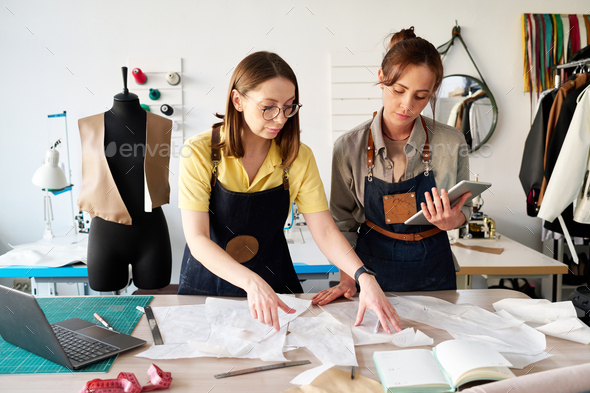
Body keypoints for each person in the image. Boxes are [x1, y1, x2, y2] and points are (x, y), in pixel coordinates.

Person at [178, 51, 401, 333]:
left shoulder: (298, 156)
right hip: (207, 285)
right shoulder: (199, 152)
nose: (280, 118)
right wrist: (251, 281)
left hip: (276, 284)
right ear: (237, 100)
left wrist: (363, 277)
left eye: (288, 107)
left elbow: (325, 230)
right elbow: (197, 238)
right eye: (268, 107)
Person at [312, 27, 472, 306]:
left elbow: (464, 210)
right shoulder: (348, 148)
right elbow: (342, 223)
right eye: (399, 90)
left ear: (433, 92)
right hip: (370, 271)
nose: (407, 105)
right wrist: (349, 277)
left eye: (421, 96)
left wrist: (452, 221)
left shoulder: (452, 142)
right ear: (382, 79)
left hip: (435, 270)